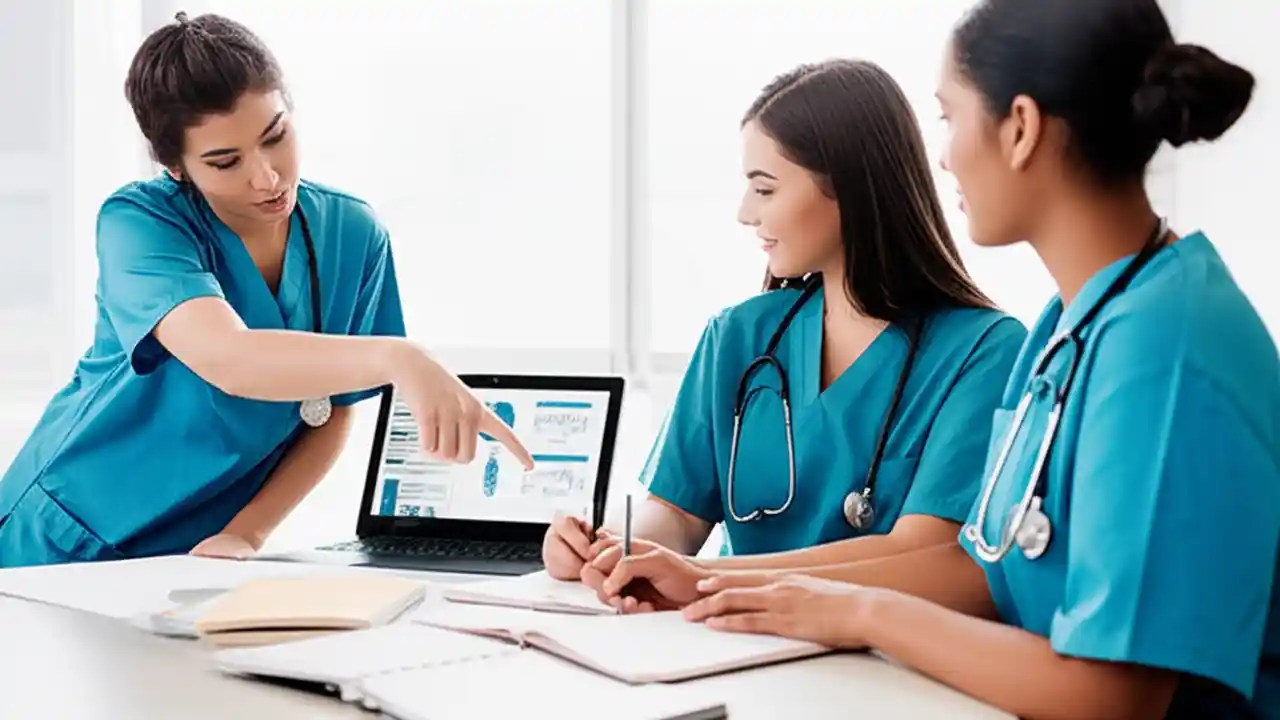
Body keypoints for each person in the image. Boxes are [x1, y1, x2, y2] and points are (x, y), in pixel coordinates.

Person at [594, 1, 1280, 717]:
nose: (943, 155)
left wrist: (861, 613)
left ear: (1020, 128)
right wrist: (718, 582)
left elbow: (1115, 695)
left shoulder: (1165, 347)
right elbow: (981, 572)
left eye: (949, 118)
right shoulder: (1073, 329)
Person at [0, 13, 531, 568]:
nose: (267, 178)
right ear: (176, 167)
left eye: (275, 137)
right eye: (225, 162)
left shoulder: (352, 233)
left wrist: (247, 534)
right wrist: (400, 357)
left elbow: (331, 412)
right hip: (62, 536)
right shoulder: (140, 224)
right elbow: (230, 359)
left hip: (195, 552)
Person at [544, 59, 1026, 583]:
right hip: (726, 639)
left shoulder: (983, 352)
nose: (745, 213)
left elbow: (922, 552)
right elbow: (678, 514)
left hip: (878, 661)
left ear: (847, 187)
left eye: (765, 189)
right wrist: (607, 543)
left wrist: (706, 578)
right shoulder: (738, 337)